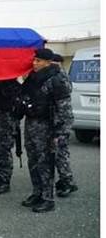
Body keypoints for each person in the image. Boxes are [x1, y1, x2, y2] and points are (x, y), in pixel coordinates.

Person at [19, 48, 74, 213]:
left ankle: (48, 198)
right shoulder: (33, 78)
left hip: (48, 127)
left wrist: (60, 133)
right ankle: (37, 193)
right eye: (34, 60)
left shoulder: (56, 80)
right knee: (33, 161)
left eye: (38, 61)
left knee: (45, 162)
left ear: (48, 62)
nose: (34, 63)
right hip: (32, 124)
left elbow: (64, 110)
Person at [50, 53, 78, 197]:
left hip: (62, 120)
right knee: (60, 151)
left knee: (60, 152)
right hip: (60, 119)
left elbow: (61, 105)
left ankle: (67, 181)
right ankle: (66, 180)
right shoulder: (59, 75)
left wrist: (58, 125)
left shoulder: (59, 77)